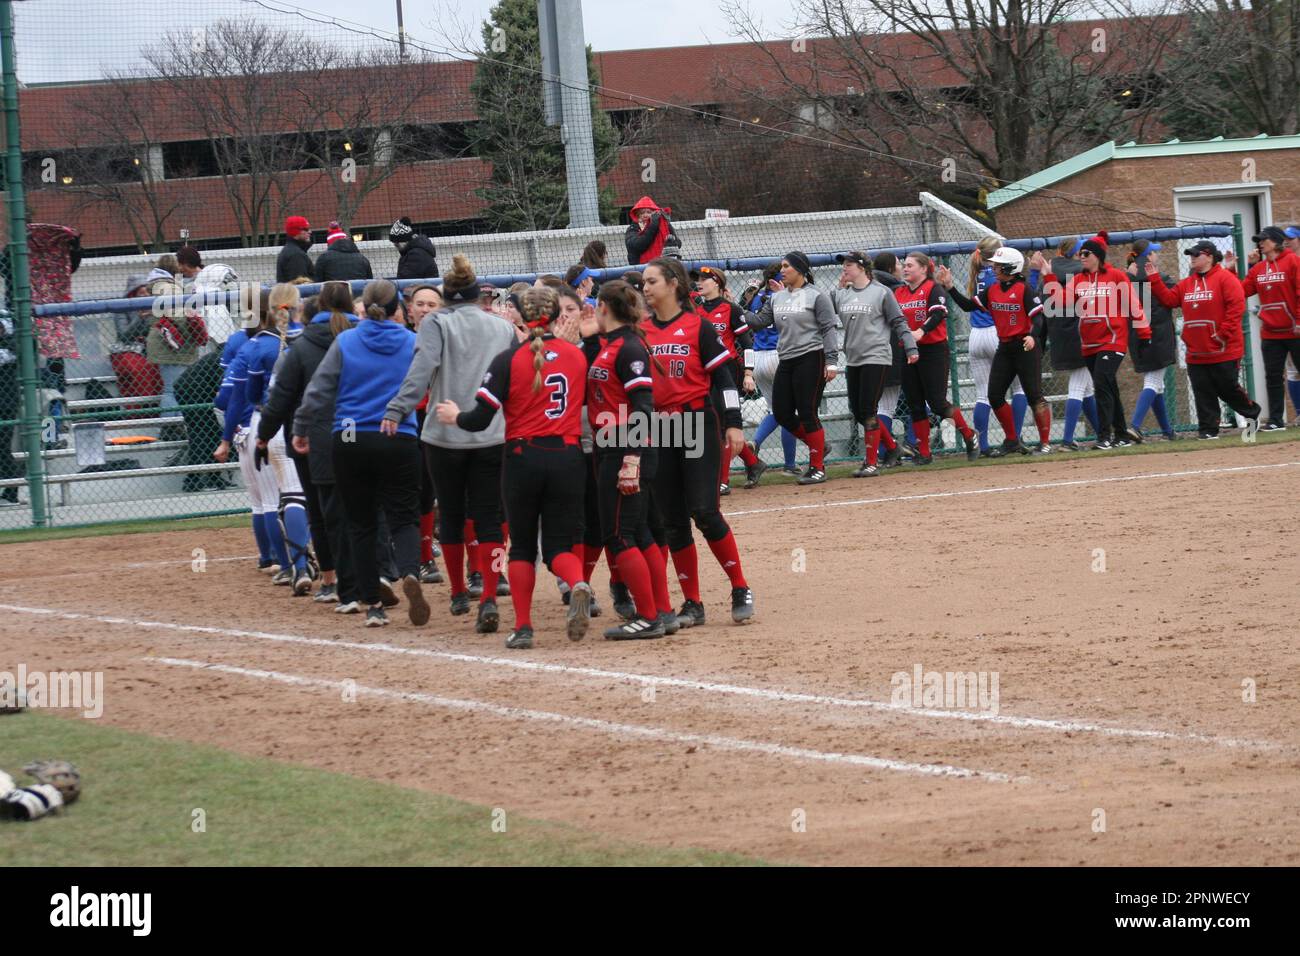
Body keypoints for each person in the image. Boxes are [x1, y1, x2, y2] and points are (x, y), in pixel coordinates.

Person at [434, 287, 593, 650]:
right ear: (557, 318)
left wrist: (453, 416)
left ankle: (523, 627)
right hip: (568, 457)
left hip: (523, 458)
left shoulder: (508, 359)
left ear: (519, 316)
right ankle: (577, 582)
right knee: (559, 545)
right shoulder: (576, 357)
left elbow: (478, 420)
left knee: (522, 546)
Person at [384, 255, 515, 633]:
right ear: (477, 295)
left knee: (453, 514)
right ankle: (488, 594)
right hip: (491, 432)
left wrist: (397, 409)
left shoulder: (436, 323)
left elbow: (422, 370)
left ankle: (458, 591)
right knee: (489, 517)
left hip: (445, 435)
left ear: (448, 296)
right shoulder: (500, 327)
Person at [294, 280, 428, 628]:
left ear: (364, 308)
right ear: (398, 308)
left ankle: (372, 605)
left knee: (361, 522)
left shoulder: (347, 340)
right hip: (397, 432)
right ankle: (411, 571)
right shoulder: (412, 341)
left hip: (351, 432)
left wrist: (301, 427)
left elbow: (319, 390)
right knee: (403, 516)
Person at [642, 257, 754, 626]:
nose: (645, 288)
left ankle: (739, 586)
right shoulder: (641, 332)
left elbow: (723, 380)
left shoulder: (697, 327)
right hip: (659, 427)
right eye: (644, 282)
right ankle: (693, 602)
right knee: (672, 519)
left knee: (704, 511)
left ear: (673, 284)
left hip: (695, 421)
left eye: (652, 281)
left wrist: (733, 424)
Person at [257, 281, 356, 609]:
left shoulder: (298, 348)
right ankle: (374, 573)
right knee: (358, 505)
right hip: (355, 430)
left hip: (312, 435)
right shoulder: (357, 338)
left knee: (320, 508)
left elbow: (281, 399)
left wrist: (262, 435)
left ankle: (330, 579)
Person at [582, 280, 673, 639]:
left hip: (625, 446)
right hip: (615, 446)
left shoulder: (629, 347)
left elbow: (643, 407)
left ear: (605, 306)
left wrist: (632, 457)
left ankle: (649, 617)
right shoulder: (613, 344)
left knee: (618, 535)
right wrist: (590, 339)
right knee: (640, 531)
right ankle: (661, 612)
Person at [218, 284, 314, 593]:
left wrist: (225, 437)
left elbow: (230, 398)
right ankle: (319, 566)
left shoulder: (250, 345)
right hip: (314, 423)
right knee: (312, 498)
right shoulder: (314, 337)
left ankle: (285, 564)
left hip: (261, 424)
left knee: (271, 501)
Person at [1145, 240, 1261, 441]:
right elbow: (1170, 300)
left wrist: (1222, 334)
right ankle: (1208, 429)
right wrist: (1154, 279)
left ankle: (1251, 413)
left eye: (1196, 255)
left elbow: (1236, 308)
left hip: (1224, 348)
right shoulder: (1187, 283)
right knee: (1202, 390)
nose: (1192, 258)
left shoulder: (1225, 279)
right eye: (1190, 255)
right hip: (1197, 350)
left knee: (1227, 387)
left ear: (1208, 256)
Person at [940, 247, 1052, 455]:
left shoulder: (1024, 288)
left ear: (1010, 267)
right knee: (995, 395)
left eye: (998, 265)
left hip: (1025, 346)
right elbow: (967, 306)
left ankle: (1045, 443)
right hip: (1005, 347)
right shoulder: (993, 289)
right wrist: (950, 287)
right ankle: (1012, 441)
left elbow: (1038, 317)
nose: (993, 268)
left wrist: (1032, 335)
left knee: (1034, 395)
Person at [213, 289, 292, 579]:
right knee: (279, 499)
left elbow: (225, 398)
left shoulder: (241, 344)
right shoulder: (282, 341)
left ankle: (266, 556)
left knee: (260, 500)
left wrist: (225, 437)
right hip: (273, 424)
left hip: (243, 429)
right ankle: (286, 562)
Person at [744, 251, 841, 484]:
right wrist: (733, 308)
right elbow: (758, 322)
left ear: (800, 270)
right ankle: (818, 445)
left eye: (787, 266)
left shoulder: (816, 295)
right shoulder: (777, 298)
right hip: (786, 359)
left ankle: (817, 467)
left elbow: (828, 328)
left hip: (811, 357)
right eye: (782, 266)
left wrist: (832, 361)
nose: (782, 270)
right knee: (782, 412)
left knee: (808, 413)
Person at [1036, 231, 1135, 450]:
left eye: (1086, 253)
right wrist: (1047, 275)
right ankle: (1122, 435)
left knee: (1101, 384)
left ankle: (1104, 437)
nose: (1082, 256)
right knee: (1109, 387)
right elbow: (1060, 302)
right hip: (1089, 343)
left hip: (1113, 339)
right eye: (1080, 253)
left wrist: (1144, 333)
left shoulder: (1116, 276)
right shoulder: (1079, 279)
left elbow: (1135, 304)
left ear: (1098, 255)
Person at [834, 251, 917, 476]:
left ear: (862, 267)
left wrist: (910, 347)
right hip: (853, 358)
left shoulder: (881, 292)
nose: (844, 268)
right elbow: (825, 313)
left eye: (849, 264)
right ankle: (892, 447)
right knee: (858, 412)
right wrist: (838, 288)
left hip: (876, 356)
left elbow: (899, 321)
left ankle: (871, 462)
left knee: (869, 410)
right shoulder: (843, 294)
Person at [892, 252, 979, 464]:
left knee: (938, 403)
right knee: (915, 404)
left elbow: (939, 312)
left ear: (923, 269)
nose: (905, 268)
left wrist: (921, 331)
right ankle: (924, 452)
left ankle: (969, 436)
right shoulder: (899, 292)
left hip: (933, 351)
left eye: (910, 265)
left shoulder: (933, 288)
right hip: (908, 352)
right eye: (904, 265)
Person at [692, 265, 763, 493]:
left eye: (705, 279)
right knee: (715, 425)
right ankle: (753, 463)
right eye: (698, 280)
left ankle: (722, 481)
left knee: (722, 425)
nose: (700, 283)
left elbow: (747, 343)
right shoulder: (697, 311)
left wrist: (749, 373)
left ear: (718, 284)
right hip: (705, 373)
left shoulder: (730, 309)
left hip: (728, 371)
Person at [1227, 226, 1300, 431]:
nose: (1260, 243)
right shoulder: (1259, 268)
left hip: (1295, 330)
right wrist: (1233, 270)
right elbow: (1240, 291)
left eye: (1264, 239)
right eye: (1258, 240)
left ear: (1276, 241)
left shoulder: (1293, 261)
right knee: (1273, 377)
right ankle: (1276, 420)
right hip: (1271, 332)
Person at [964, 237, 1029, 456]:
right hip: (998, 334)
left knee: (983, 395)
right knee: (1019, 389)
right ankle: (1014, 438)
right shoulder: (999, 274)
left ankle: (982, 447)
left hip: (975, 336)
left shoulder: (976, 273)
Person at [1037, 238, 1099, 450]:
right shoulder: (1082, 272)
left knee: (1087, 387)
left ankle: (1102, 434)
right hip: (1080, 331)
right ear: (1078, 253)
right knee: (1078, 384)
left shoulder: (1049, 271)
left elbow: (1042, 305)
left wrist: (1041, 336)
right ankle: (1067, 440)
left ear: (1059, 251)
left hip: (1057, 332)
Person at [741, 264, 799, 480]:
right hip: (778, 355)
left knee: (776, 409)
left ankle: (755, 442)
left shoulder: (756, 297)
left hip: (757, 358)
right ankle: (790, 464)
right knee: (788, 412)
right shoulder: (782, 296)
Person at [1125, 240, 1179, 441]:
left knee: (1157, 385)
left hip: (1136, 335)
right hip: (1157, 335)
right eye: (1154, 252)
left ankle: (1167, 431)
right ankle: (1135, 426)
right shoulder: (1159, 277)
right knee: (1153, 381)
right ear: (1147, 256)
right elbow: (1177, 295)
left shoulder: (1127, 277)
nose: (1157, 255)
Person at [143, 261, 204, 420]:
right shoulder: (168, 287)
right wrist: (192, 328)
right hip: (173, 346)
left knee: (173, 389)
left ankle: (173, 425)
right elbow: (178, 314)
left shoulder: (158, 286)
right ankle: (170, 426)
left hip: (167, 343)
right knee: (172, 390)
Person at [625, 196, 681, 265]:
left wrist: (671, 241)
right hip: (639, 267)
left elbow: (678, 244)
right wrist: (652, 226)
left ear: (655, 213)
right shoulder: (632, 229)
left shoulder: (662, 225)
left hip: (663, 264)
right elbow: (638, 246)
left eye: (648, 212)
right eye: (642, 213)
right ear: (637, 215)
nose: (645, 215)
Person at [276, 215, 315, 283]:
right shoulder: (296, 255)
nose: (310, 232)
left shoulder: (292, 251)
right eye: (306, 229)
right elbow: (301, 287)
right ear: (296, 232)